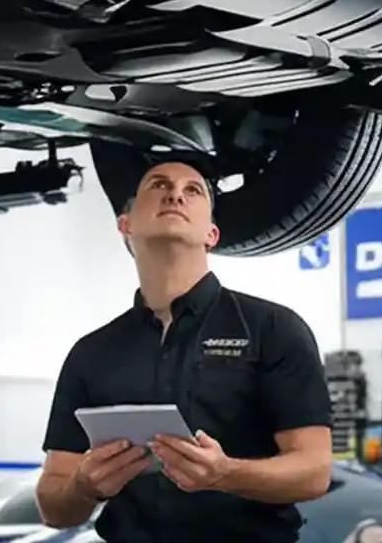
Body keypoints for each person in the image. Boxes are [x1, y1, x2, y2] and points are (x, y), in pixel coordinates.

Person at [33, 155, 334, 543]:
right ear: (125, 224)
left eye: (193, 190)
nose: (175, 194)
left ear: (212, 233)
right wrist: (84, 486)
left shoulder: (273, 329)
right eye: (158, 185)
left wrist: (226, 474)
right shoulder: (91, 353)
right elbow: (53, 505)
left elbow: (314, 471)